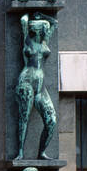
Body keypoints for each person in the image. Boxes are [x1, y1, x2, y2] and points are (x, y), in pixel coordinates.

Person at [15, 13, 56, 161]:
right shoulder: (27, 41)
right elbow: (23, 20)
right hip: (26, 81)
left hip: (40, 86)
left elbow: (54, 22)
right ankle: (20, 151)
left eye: (42, 27)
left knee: (51, 121)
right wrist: (27, 15)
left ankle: (41, 152)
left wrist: (42, 15)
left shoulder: (45, 42)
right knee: (24, 117)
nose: (40, 29)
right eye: (38, 27)